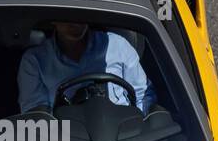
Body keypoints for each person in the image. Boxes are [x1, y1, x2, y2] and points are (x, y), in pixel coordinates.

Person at [17, 21, 154, 115]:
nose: (75, 23)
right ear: (53, 19)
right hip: (70, 140)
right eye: (66, 16)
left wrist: (137, 128)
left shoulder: (118, 45)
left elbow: (143, 94)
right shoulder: (35, 60)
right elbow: (36, 112)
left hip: (123, 133)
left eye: (79, 16)